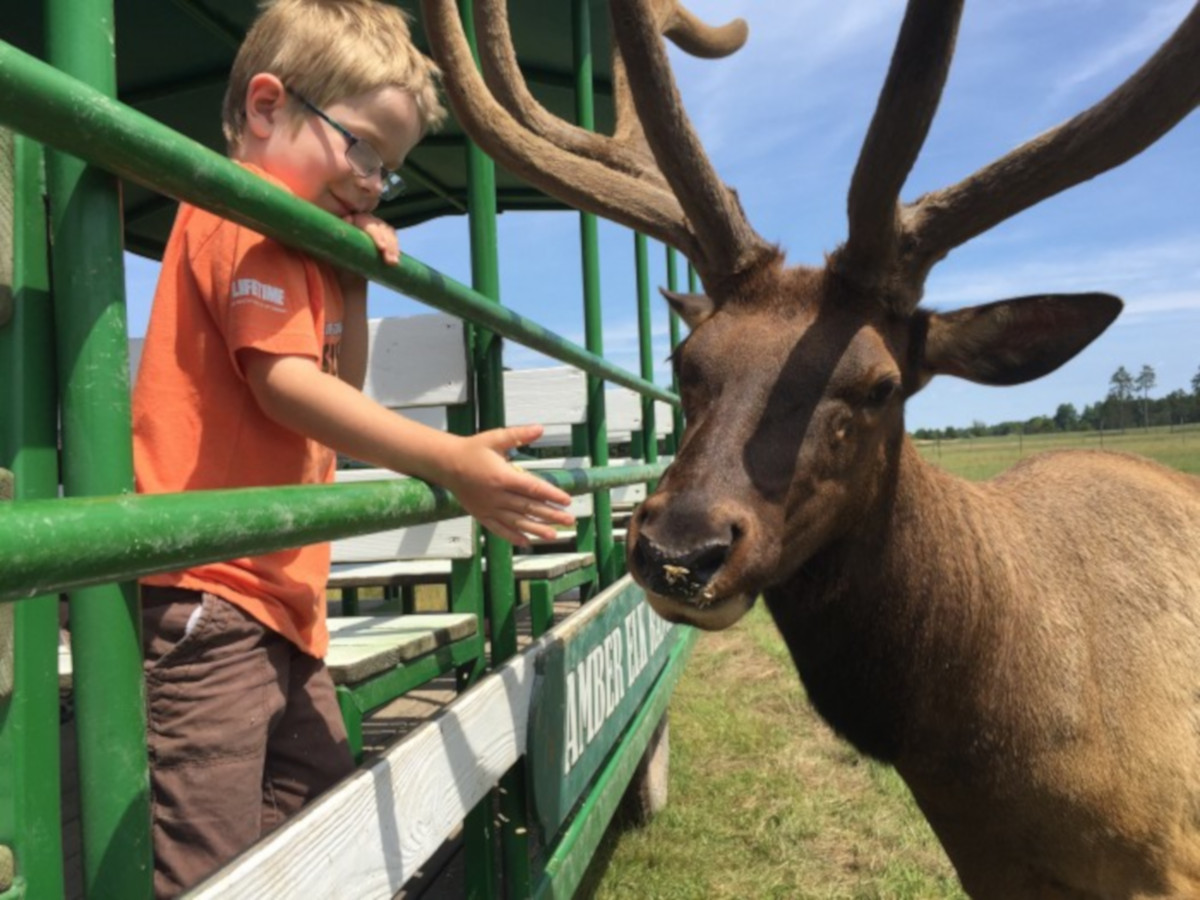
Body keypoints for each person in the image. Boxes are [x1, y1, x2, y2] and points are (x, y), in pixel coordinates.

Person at [131, 0, 574, 895]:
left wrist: (355, 284)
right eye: (361, 146)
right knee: (210, 862)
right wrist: (443, 460)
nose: (374, 181)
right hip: (212, 594)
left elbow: (341, 377)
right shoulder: (242, 212)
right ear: (267, 108)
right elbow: (286, 388)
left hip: (280, 597)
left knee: (315, 813)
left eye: (390, 169)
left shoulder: (297, 240)